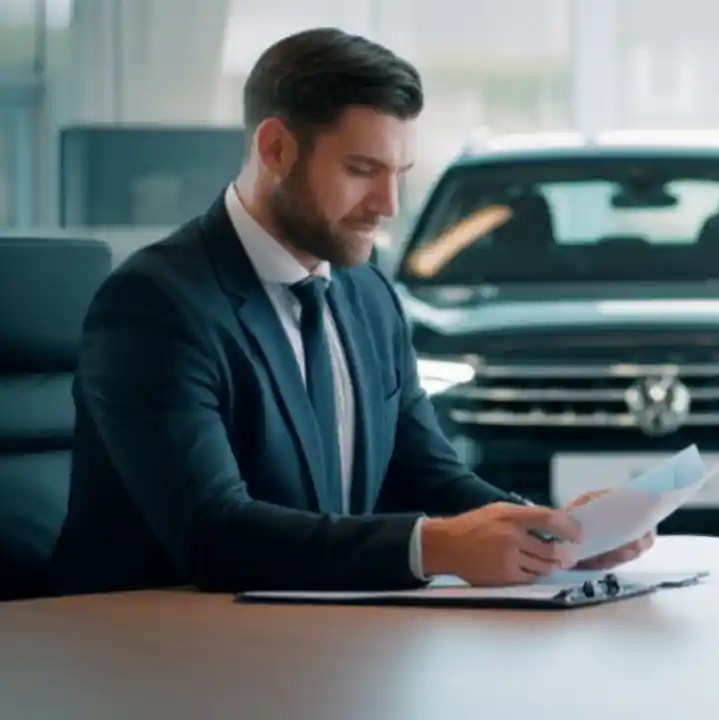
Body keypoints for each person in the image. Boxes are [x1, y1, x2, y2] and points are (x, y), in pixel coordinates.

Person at [50, 28, 651, 595]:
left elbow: (427, 476)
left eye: (399, 175)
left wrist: (551, 536)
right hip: (153, 658)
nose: (387, 205)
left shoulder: (367, 292)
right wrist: (431, 547)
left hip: (323, 648)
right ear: (277, 148)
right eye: (362, 171)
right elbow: (212, 534)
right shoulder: (155, 305)